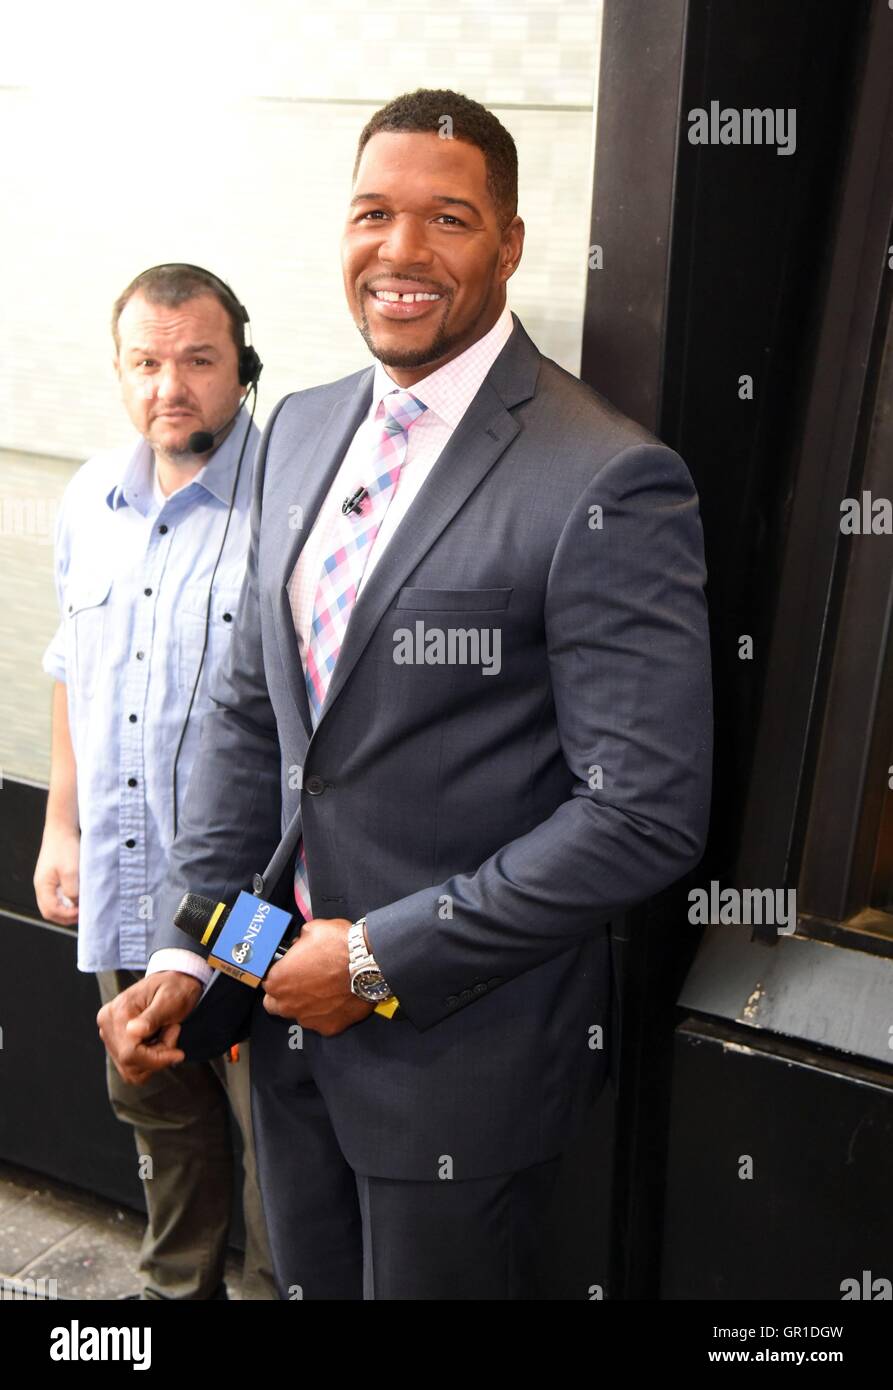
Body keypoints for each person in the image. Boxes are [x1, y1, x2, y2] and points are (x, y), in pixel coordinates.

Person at [98, 90, 713, 1300]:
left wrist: (375, 961)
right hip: (279, 1037)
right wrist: (198, 949)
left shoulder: (608, 476)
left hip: (456, 1066)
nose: (401, 252)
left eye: (447, 218)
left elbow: (641, 811)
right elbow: (249, 712)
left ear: (509, 244)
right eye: (373, 213)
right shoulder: (300, 425)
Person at [35, 264, 276, 1300]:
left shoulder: (290, 507)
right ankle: (178, 1294)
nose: (167, 385)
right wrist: (61, 827)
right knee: (154, 1108)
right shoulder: (91, 494)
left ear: (242, 366)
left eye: (196, 360)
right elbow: (69, 667)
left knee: (275, 1137)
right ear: (119, 368)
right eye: (145, 361)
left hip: (258, 908)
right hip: (132, 880)